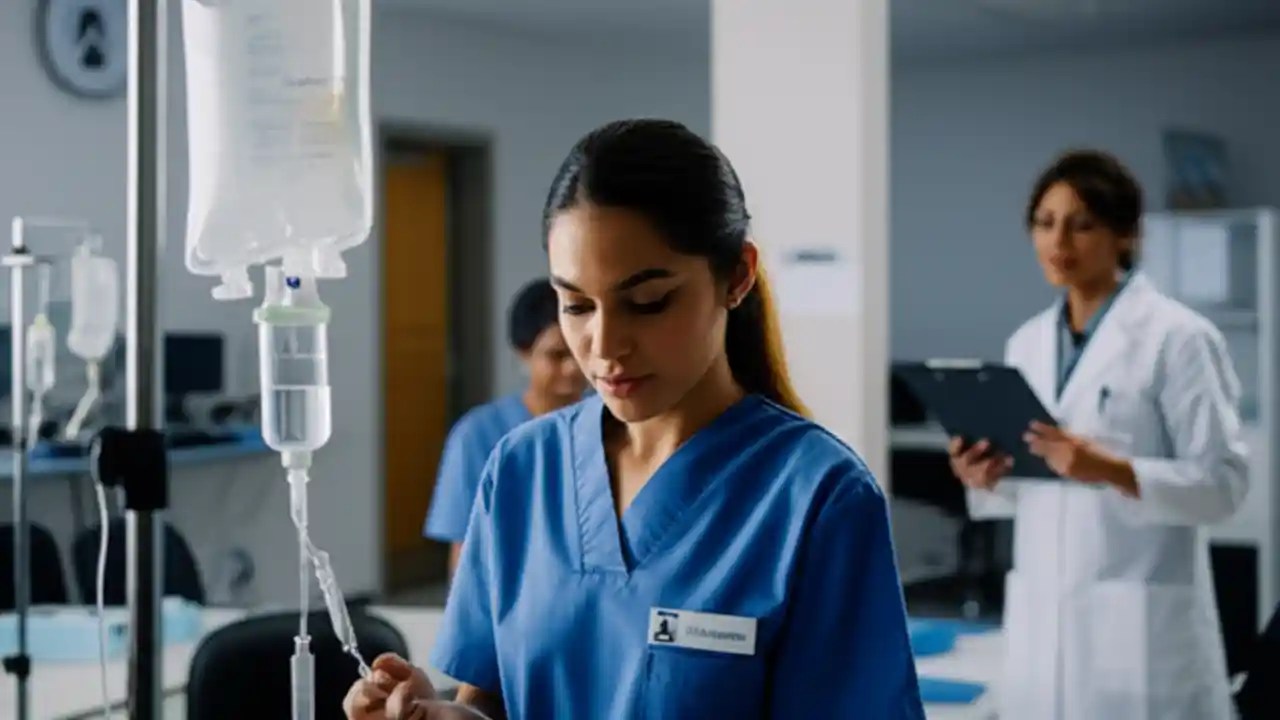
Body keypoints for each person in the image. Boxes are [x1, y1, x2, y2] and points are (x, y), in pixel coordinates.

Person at [346, 119, 925, 719]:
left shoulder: (818, 497)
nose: (604, 347)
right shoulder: (523, 469)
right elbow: (489, 703)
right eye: (576, 305)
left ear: (736, 276)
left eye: (647, 303)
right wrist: (435, 714)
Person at [949, 149, 1248, 719]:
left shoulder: (1178, 339)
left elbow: (1224, 486)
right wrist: (986, 477)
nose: (1058, 240)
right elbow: (1036, 488)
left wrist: (1111, 469)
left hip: (1141, 633)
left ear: (1125, 234)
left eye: (1081, 224)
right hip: (1045, 624)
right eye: (1045, 223)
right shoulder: (1026, 343)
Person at [422, 278, 586, 574]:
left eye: (580, 351)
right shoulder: (479, 434)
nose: (573, 368)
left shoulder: (611, 425)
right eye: (557, 355)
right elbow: (464, 547)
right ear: (523, 353)